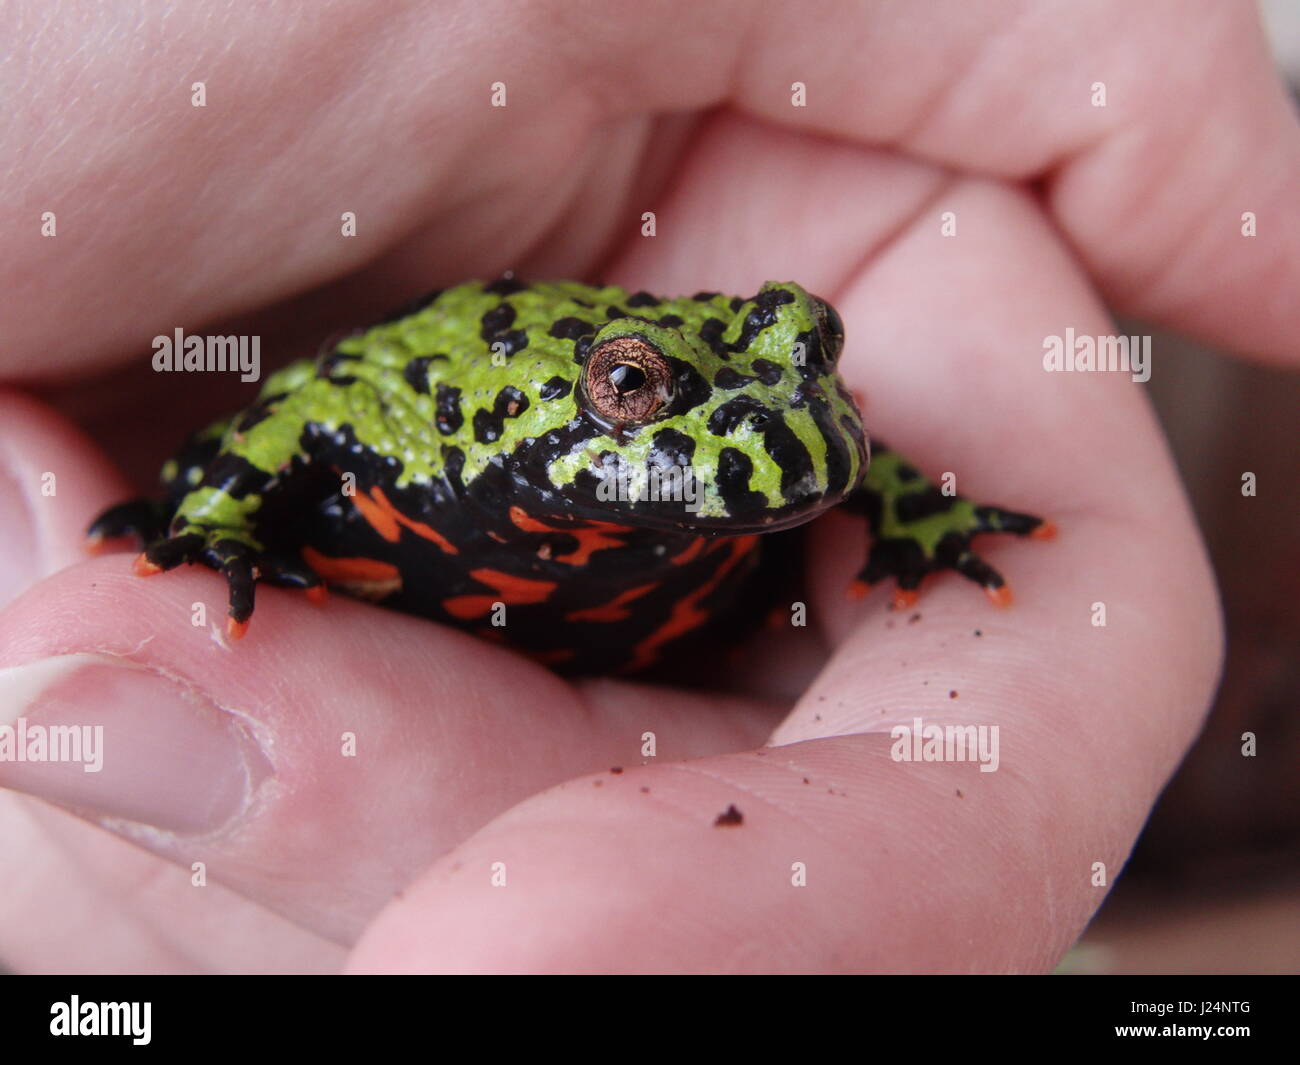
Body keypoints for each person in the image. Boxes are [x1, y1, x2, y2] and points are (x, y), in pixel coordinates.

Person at [0, 0, 1295, 973]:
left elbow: (817, 429)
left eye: (817, 361)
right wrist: (217, 518)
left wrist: (919, 508)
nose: (790, 426)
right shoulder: (427, 416)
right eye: (636, 394)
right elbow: (302, 414)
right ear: (582, 398)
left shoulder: (780, 442)